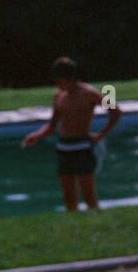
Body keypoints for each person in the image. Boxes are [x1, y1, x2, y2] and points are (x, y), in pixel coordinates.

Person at [21, 57, 122, 211]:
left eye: (58, 80)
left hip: (82, 146)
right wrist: (37, 135)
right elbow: (52, 125)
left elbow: (115, 111)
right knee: (68, 197)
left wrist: (101, 134)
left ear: (68, 78)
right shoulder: (58, 96)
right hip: (64, 147)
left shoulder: (90, 93)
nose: (57, 84)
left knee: (89, 196)